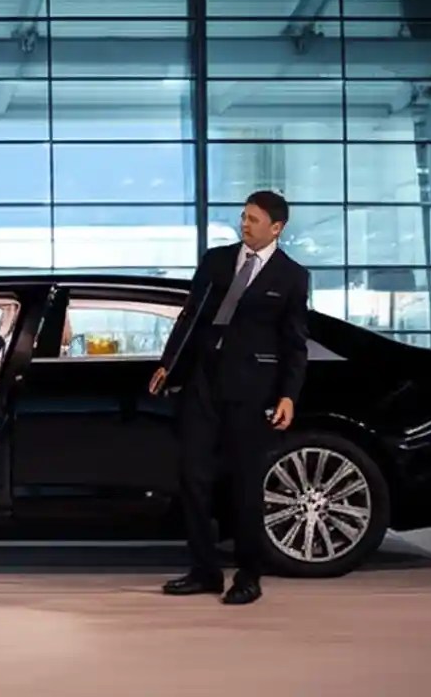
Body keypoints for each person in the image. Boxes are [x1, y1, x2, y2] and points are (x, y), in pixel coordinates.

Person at [148, 189, 309, 605]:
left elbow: (295, 343)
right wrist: (169, 363)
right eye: (243, 216)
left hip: (252, 390)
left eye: (253, 219)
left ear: (277, 227)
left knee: (245, 485)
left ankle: (249, 575)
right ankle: (204, 570)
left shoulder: (292, 276)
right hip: (204, 383)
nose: (245, 224)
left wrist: (288, 395)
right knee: (194, 478)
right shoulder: (216, 261)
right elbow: (190, 316)